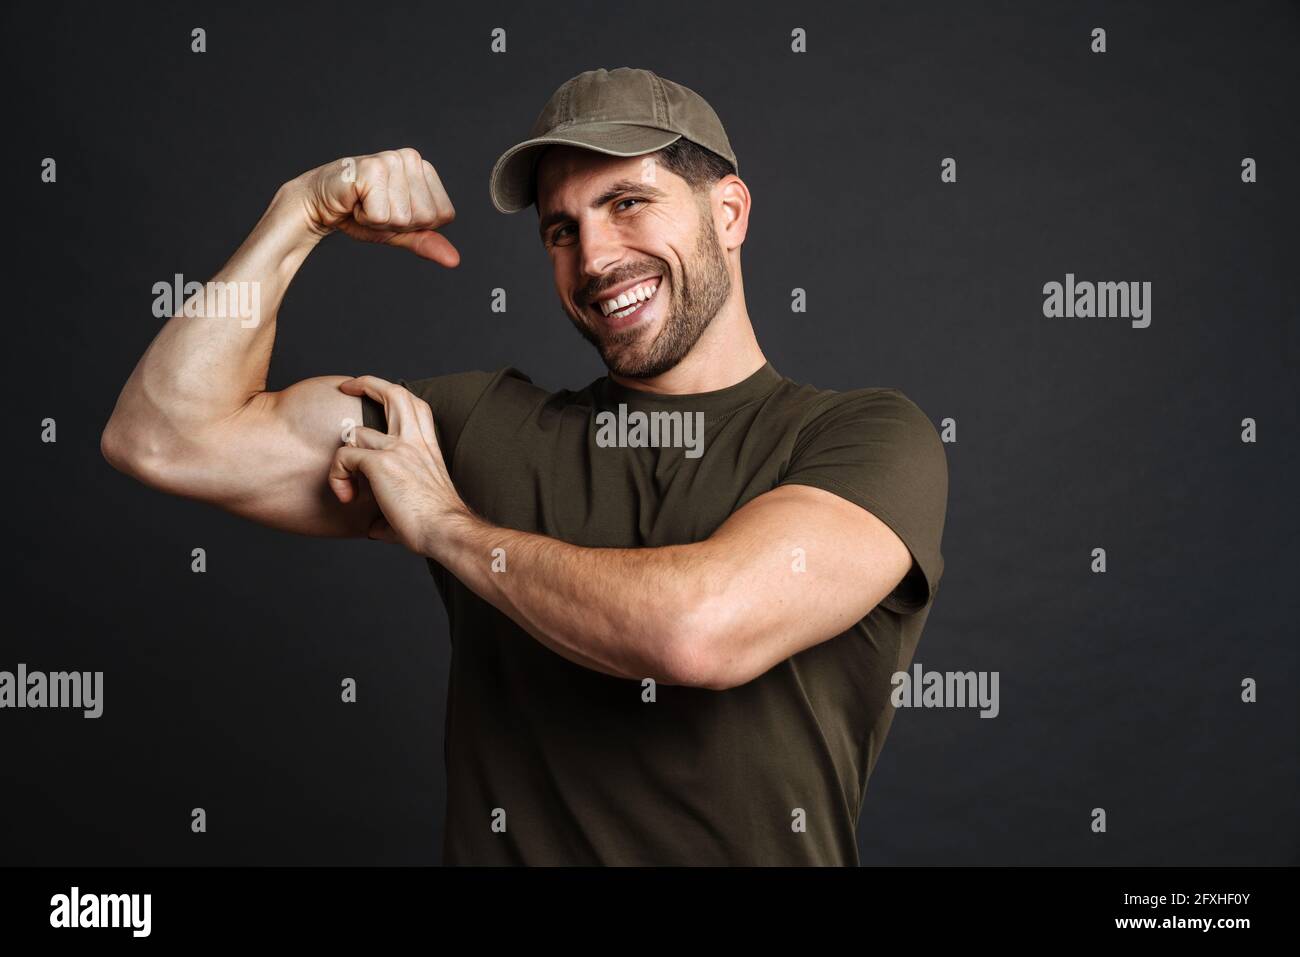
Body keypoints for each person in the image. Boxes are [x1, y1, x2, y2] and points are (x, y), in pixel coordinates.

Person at [102, 67, 949, 865]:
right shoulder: (478, 431)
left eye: (627, 203)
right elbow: (164, 433)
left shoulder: (864, 437)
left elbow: (697, 630)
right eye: (562, 229)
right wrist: (300, 214)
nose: (596, 257)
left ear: (728, 212)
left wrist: (447, 528)